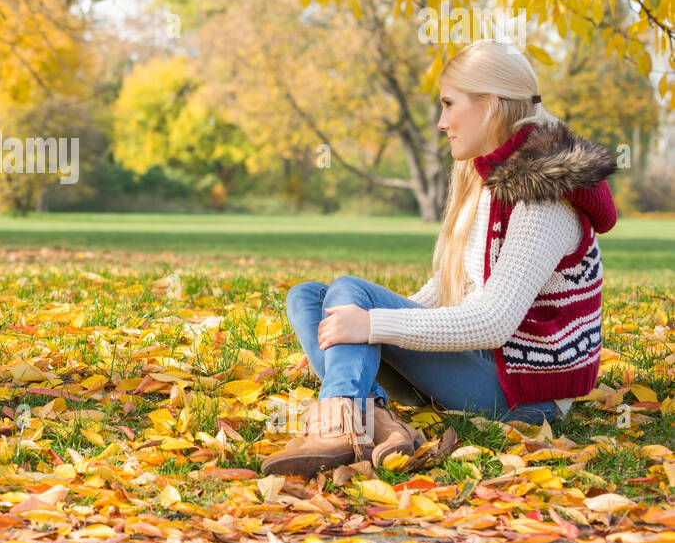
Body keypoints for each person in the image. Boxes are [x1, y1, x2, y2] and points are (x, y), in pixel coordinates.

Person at [262, 39, 619, 477]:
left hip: (524, 395)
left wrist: (371, 325)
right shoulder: (482, 173)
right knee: (309, 298)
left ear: (489, 105)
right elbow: (447, 287)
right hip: (478, 365)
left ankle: (341, 424)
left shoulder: (542, 197)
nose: (441, 122)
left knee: (352, 294)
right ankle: (377, 422)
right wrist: (358, 331)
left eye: (450, 105)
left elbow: (493, 321)